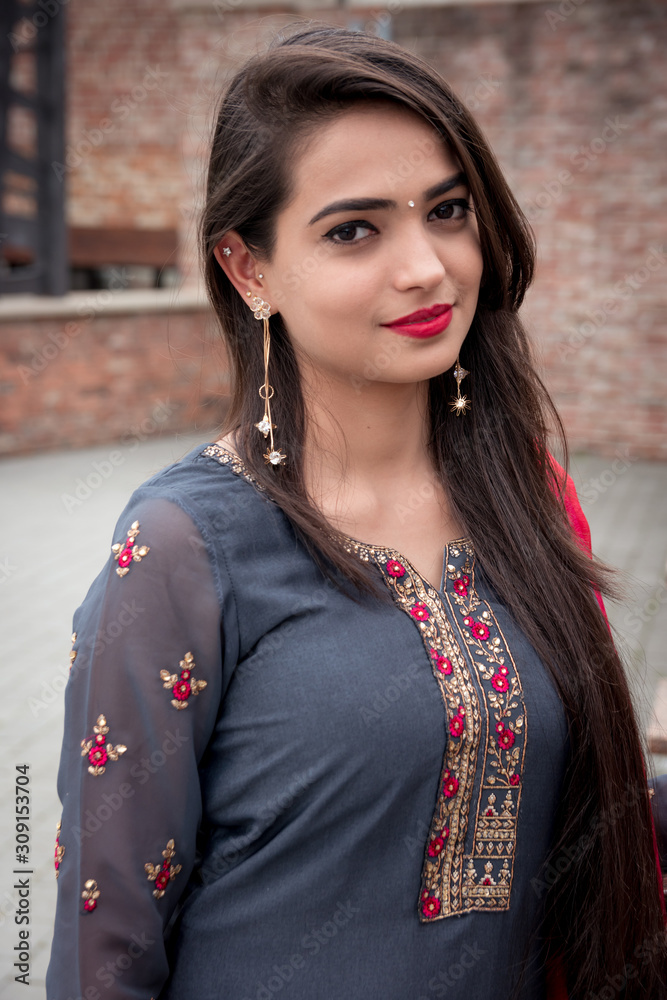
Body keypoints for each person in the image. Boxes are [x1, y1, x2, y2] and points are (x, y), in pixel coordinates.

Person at [46, 24, 667, 1000]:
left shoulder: (522, 497)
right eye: (353, 230)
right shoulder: (182, 547)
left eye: (447, 210)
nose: (424, 267)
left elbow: (585, 815)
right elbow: (104, 953)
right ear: (249, 271)